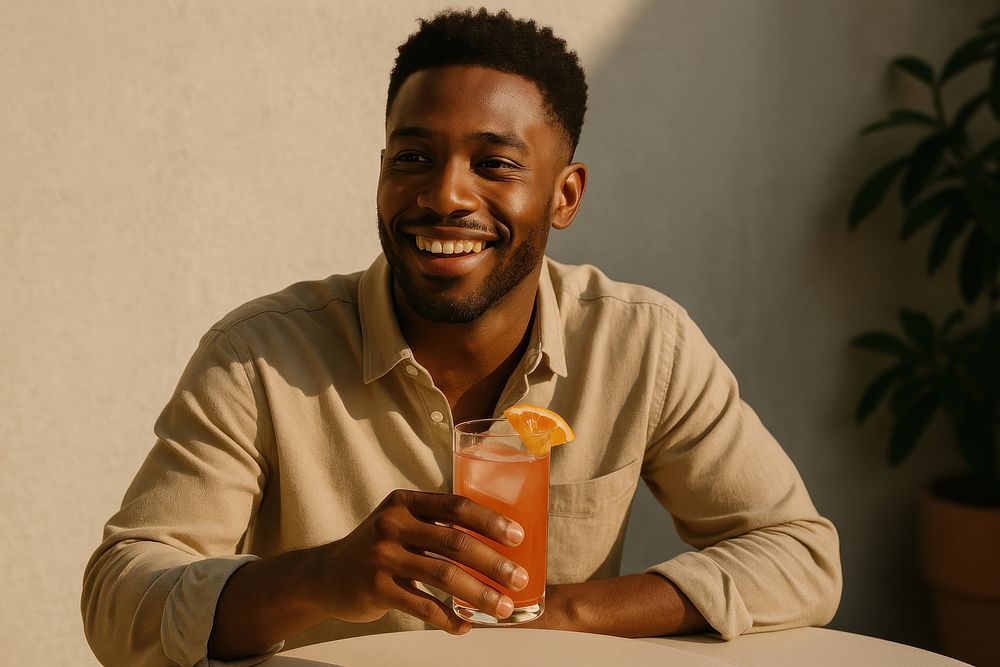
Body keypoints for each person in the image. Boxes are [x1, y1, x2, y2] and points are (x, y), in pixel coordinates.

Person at [82, 8, 841, 666]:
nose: (444, 194)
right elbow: (119, 594)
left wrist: (564, 615)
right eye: (412, 158)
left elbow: (800, 555)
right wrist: (320, 578)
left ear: (564, 194)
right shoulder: (260, 356)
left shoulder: (642, 344)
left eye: (494, 163)